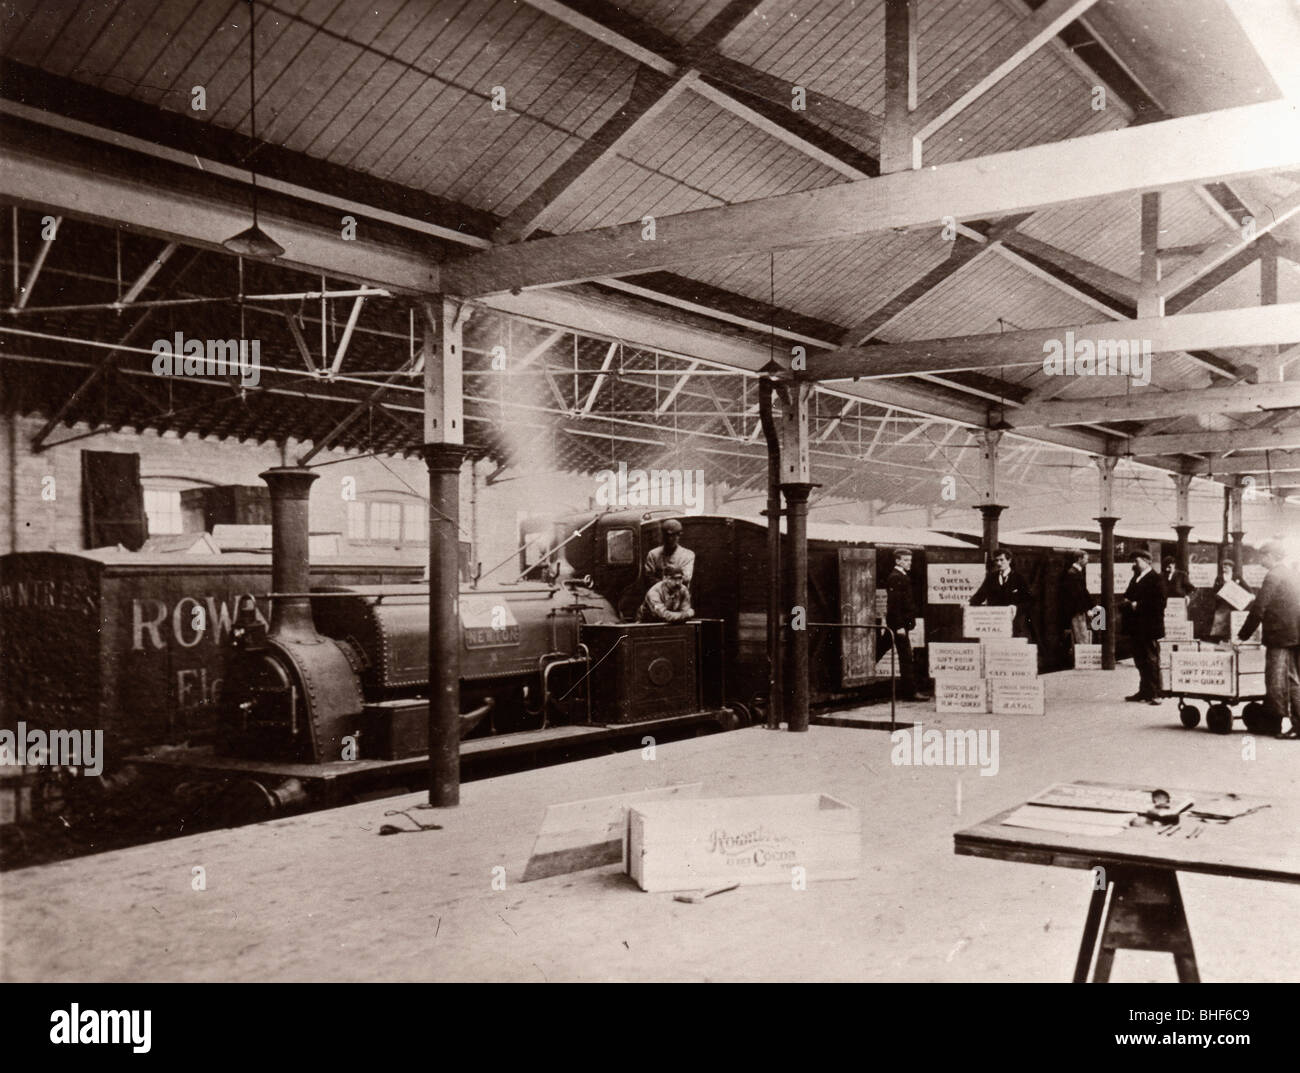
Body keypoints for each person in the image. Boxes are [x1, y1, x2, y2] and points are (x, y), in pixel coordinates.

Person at [1237, 540, 1300, 738]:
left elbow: (1259, 608)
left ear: (1271, 556)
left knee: (1276, 681)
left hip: (1279, 637)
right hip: (1294, 635)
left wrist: (1242, 636)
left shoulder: (1273, 576)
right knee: (1292, 679)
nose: (1261, 560)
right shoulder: (1291, 574)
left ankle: (1276, 724)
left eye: (1263, 556)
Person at [882, 549, 929, 701]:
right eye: (906, 560)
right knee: (906, 658)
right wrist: (899, 626)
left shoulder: (901, 576)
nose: (909, 563)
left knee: (880, 648)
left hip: (898, 625)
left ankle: (909, 691)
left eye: (910, 560)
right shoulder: (896, 577)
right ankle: (910, 693)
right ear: (898, 561)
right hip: (898, 626)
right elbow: (894, 605)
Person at [1123, 549, 1166, 704]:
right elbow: (1127, 594)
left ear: (1147, 561)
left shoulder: (1156, 578)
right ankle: (1144, 691)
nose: (1134, 564)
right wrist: (1129, 601)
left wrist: (1137, 604)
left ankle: (1156, 693)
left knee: (1151, 659)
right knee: (1140, 659)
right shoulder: (1136, 578)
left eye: (1137, 561)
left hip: (1149, 626)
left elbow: (1160, 602)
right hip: (1137, 627)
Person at [970, 549, 1033, 639]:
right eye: (996, 560)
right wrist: (969, 603)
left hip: (1014, 626)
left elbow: (1028, 601)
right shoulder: (991, 578)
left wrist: (1016, 607)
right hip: (995, 624)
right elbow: (981, 595)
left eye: (1001, 560)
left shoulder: (1019, 578)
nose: (999, 563)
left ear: (1009, 560)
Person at [1059, 551, 1095, 658]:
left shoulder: (1074, 572)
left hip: (1076, 610)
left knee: (1079, 635)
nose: (1087, 561)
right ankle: (1084, 659)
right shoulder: (1073, 574)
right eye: (1086, 558)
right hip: (1077, 610)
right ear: (1079, 559)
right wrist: (1087, 609)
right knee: (1081, 635)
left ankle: (1079, 658)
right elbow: (1078, 594)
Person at [644, 518, 695, 588]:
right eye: (667, 535)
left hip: (679, 596)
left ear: (679, 535)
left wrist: (663, 581)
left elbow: (686, 579)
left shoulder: (688, 555)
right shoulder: (653, 554)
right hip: (657, 595)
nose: (670, 539)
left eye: (673, 536)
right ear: (663, 535)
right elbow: (648, 578)